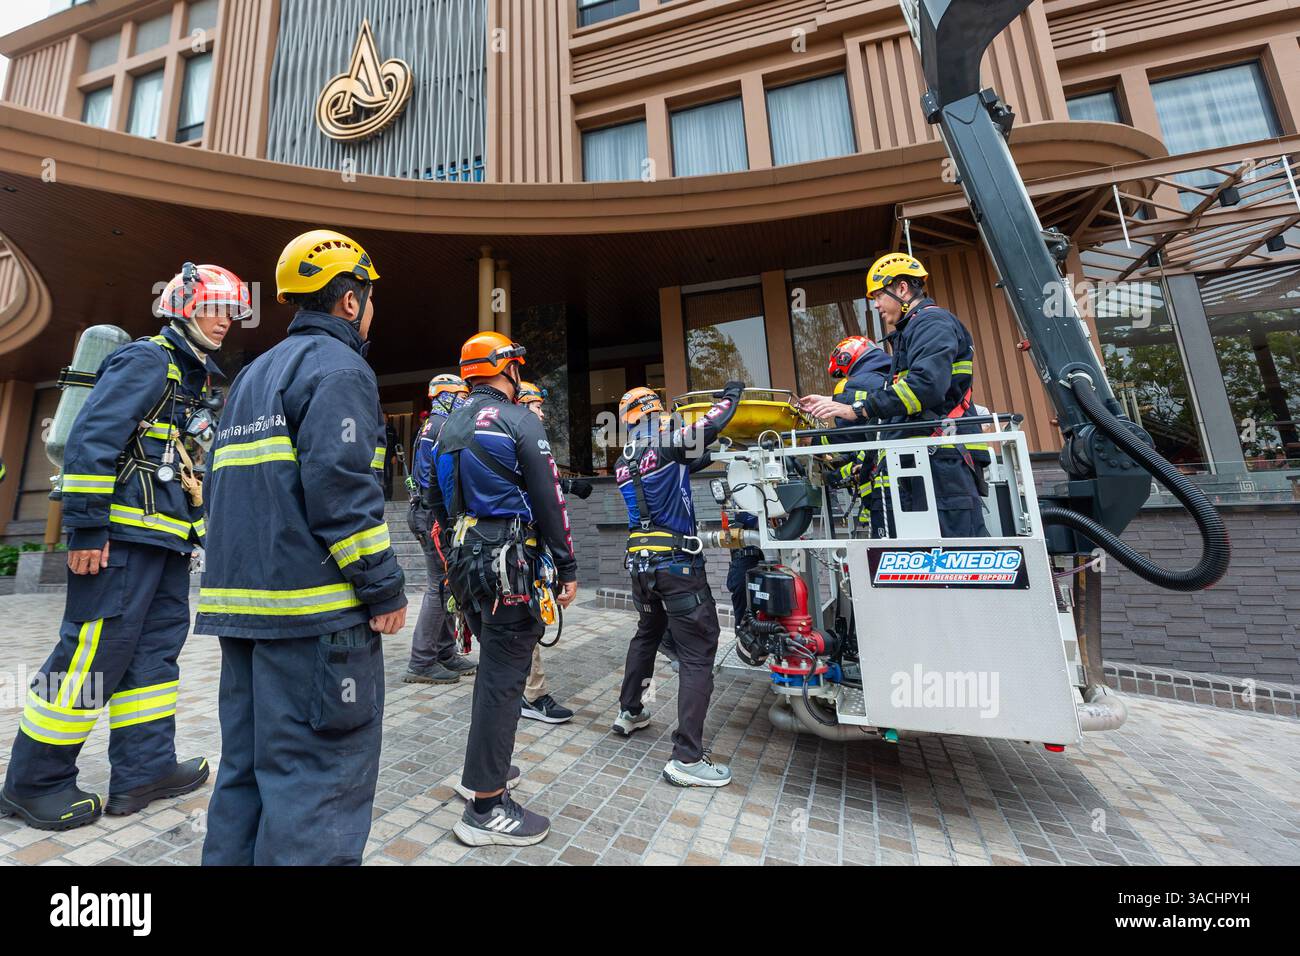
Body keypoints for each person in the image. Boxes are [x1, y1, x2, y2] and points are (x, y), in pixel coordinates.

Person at [0, 263, 247, 830]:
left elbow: (181, 462)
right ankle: (31, 782)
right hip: (118, 541)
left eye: (231, 311)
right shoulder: (147, 359)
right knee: (87, 656)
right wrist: (85, 529)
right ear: (182, 306)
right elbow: (92, 439)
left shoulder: (192, 375)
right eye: (213, 307)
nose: (224, 321)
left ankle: (144, 771)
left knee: (154, 656)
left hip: (163, 542)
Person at [197, 229, 407, 866]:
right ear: (349, 301)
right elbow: (341, 490)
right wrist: (383, 587)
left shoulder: (251, 376)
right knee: (320, 787)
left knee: (247, 777)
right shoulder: (342, 370)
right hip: (317, 624)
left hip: (247, 617)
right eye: (368, 299)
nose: (371, 311)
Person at [427, 333, 579, 847]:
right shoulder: (521, 421)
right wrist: (566, 564)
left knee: (494, 672)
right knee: (502, 679)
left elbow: (434, 498)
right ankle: (486, 806)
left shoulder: (448, 424)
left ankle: (483, 773)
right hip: (509, 565)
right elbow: (548, 497)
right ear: (507, 369)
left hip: (465, 563)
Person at [610, 381, 743, 788]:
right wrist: (731, 397)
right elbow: (708, 425)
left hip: (640, 568)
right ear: (653, 411)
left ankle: (631, 711)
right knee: (699, 653)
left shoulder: (624, 460)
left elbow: (679, 465)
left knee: (647, 633)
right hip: (677, 567)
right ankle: (687, 757)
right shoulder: (667, 443)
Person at [801, 254, 988, 538]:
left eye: (878, 296)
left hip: (943, 462)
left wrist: (857, 409)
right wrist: (839, 405)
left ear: (901, 288)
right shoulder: (912, 331)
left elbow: (925, 386)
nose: (875, 305)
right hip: (929, 462)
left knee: (956, 558)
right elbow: (900, 397)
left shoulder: (931, 323)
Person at [514, 380, 589, 724]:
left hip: (510, 550)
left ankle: (522, 691)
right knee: (526, 624)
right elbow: (545, 501)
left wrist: (568, 484)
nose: (542, 413)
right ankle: (532, 695)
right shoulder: (521, 438)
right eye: (537, 405)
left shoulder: (506, 438)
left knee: (520, 625)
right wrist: (566, 566)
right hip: (518, 551)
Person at [405, 373, 477, 684]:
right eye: (460, 396)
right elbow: (435, 480)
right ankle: (421, 661)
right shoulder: (441, 426)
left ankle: (444, 652)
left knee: (449, 583)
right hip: (431, 514)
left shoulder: (432, 425)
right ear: (447, 396)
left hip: (425, 511)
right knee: (441, 585)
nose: (464, 401)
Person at [823, 335, 893, 535]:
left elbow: (849, 433)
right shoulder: (889, 375)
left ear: (847, 358)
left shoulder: (859, 383)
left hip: (885, 493)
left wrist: (814, 440)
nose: (847, 380)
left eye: (845, 375)